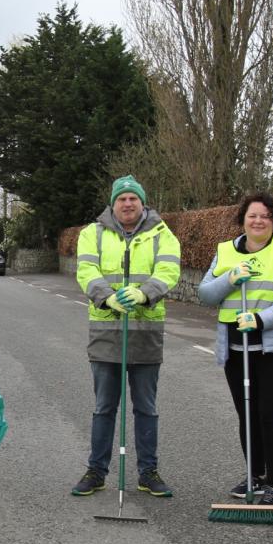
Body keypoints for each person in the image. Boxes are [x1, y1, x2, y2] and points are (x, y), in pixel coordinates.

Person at [70, 175, 181, 498]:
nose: (128, 203)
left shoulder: (163, 234)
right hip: (106, 332)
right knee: (104, 407)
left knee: (146, 407)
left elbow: (169, 272)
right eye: (122, 198)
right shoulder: (92, 233)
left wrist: (145, 294)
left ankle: (149, 472)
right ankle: (96, 471)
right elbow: (86, 271)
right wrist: (108, 297)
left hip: (146, 334)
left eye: (133, 198)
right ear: (113, 203)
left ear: (142, 202)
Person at [197, 192, 273, 506]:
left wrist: (259, 319)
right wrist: (231, 278)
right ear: (243, 219)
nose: (258, 221)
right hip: (236, 347)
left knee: (270, 415)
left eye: (265, 216)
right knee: (247, 413)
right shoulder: (226, 251)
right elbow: (206, 293)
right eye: (253, 215)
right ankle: (254, 475)